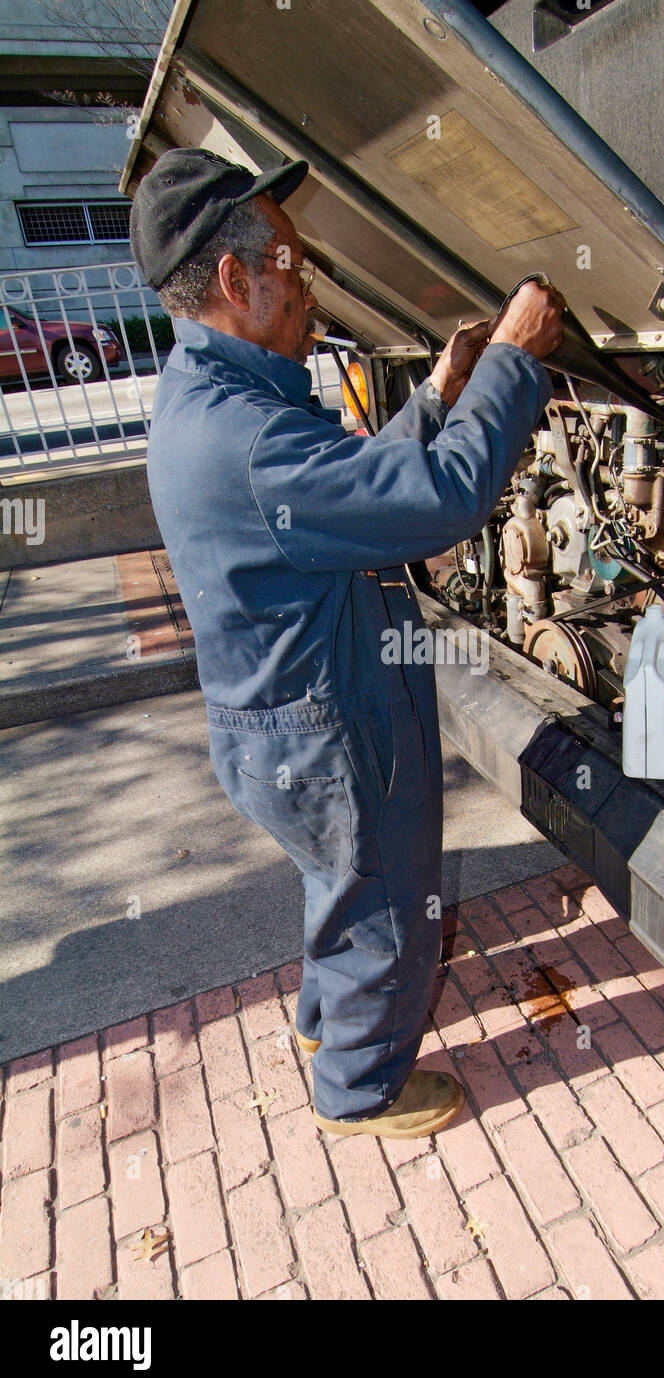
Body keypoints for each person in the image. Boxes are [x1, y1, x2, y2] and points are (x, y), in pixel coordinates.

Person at [130, 148, 563, 1140]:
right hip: (327, 731)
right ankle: (361, 1090)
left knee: (344, 888)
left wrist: (444, 396)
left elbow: (344, 490)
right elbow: (434, 501)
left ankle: (328, 1031)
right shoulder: (247, 434)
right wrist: (512, 363)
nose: (307, 278)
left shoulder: (213, 401)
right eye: (289, 259)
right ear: (235, 279)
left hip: (281, 725)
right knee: (387, 906)